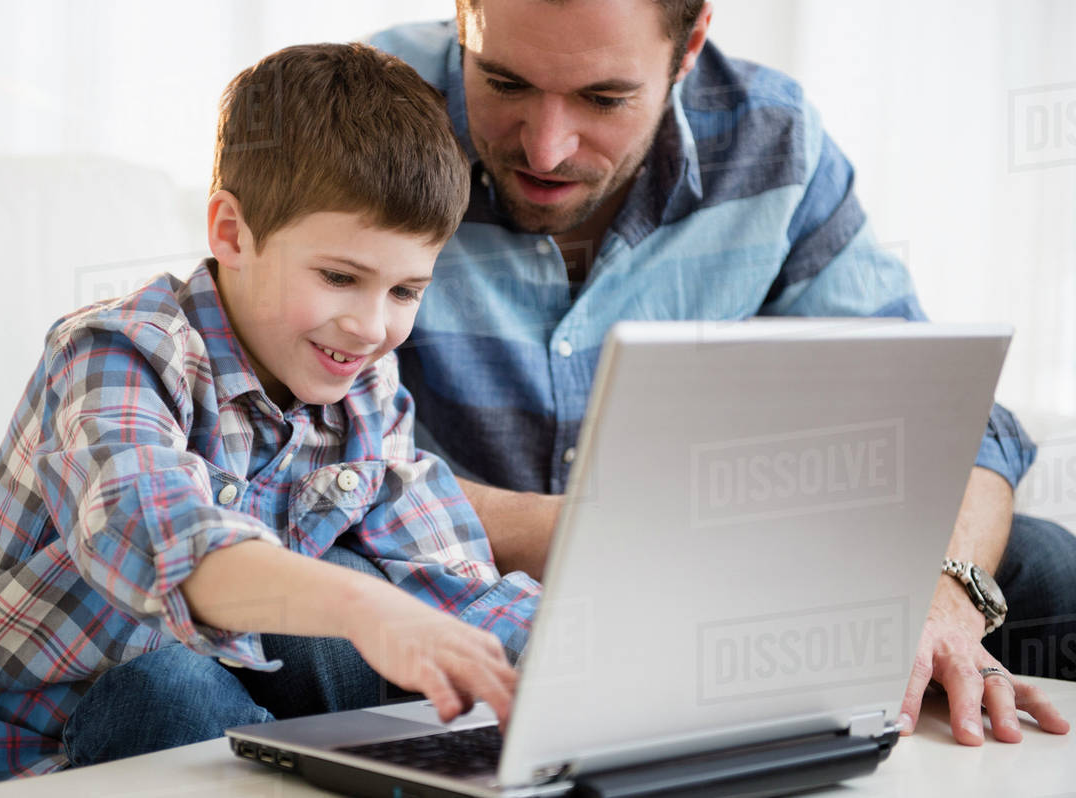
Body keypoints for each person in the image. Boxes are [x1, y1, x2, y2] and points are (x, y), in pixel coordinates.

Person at [369, 0, 1075, 746]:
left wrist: (948, 592)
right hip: (440, 569)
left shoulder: (771, 139)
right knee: (313, 637)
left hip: (728, 579)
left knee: (1044, 564)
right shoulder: (367, 114)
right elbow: (305, 459)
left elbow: (951, 418)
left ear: (690, 44)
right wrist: (585, 535)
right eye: (505, 83)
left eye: (604, 99)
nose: (545, 150)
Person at [0, 43, 539, 785]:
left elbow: (448, 573)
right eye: (339, 277)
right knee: (182, 683)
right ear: (231, 232)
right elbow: (162, 538)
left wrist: (577, 662)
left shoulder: (363, 385)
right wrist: (362, 606)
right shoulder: (117, 352)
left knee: (370, 599)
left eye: (405, 292)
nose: (370, 327)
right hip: (46, 729)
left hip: (231, 674)